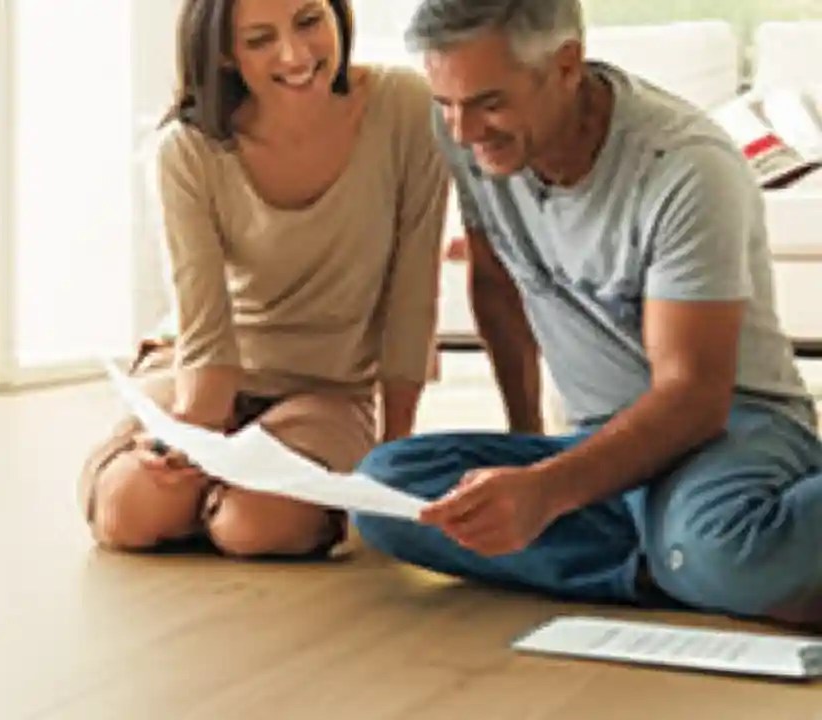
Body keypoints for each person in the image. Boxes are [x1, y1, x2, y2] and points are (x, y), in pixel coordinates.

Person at [354, 0, 822, 628]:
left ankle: (695, 554)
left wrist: (545, 490)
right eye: (447, 104)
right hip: (597, 438)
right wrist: (524, 451)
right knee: (384, 491)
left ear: (567, 64)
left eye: (489, 103)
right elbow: (496, 280)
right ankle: (673, 564)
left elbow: (694, 398)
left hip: (729, 428)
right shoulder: (468, 134)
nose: (463, 132)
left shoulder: (684, 169)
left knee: (725, 546)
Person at [77, 0, 450, 558]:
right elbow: (204, 329)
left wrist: (394, 452)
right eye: (260, 40)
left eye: (309, 21)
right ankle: (202, 496)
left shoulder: (405, 107)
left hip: (327, 390)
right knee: (131, 511)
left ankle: (220, 504)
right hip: (198, 377)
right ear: (226, 53)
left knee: (254, 526)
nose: (296, 55)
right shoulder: (187, 149)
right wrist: (186, 438)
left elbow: (414, 291)